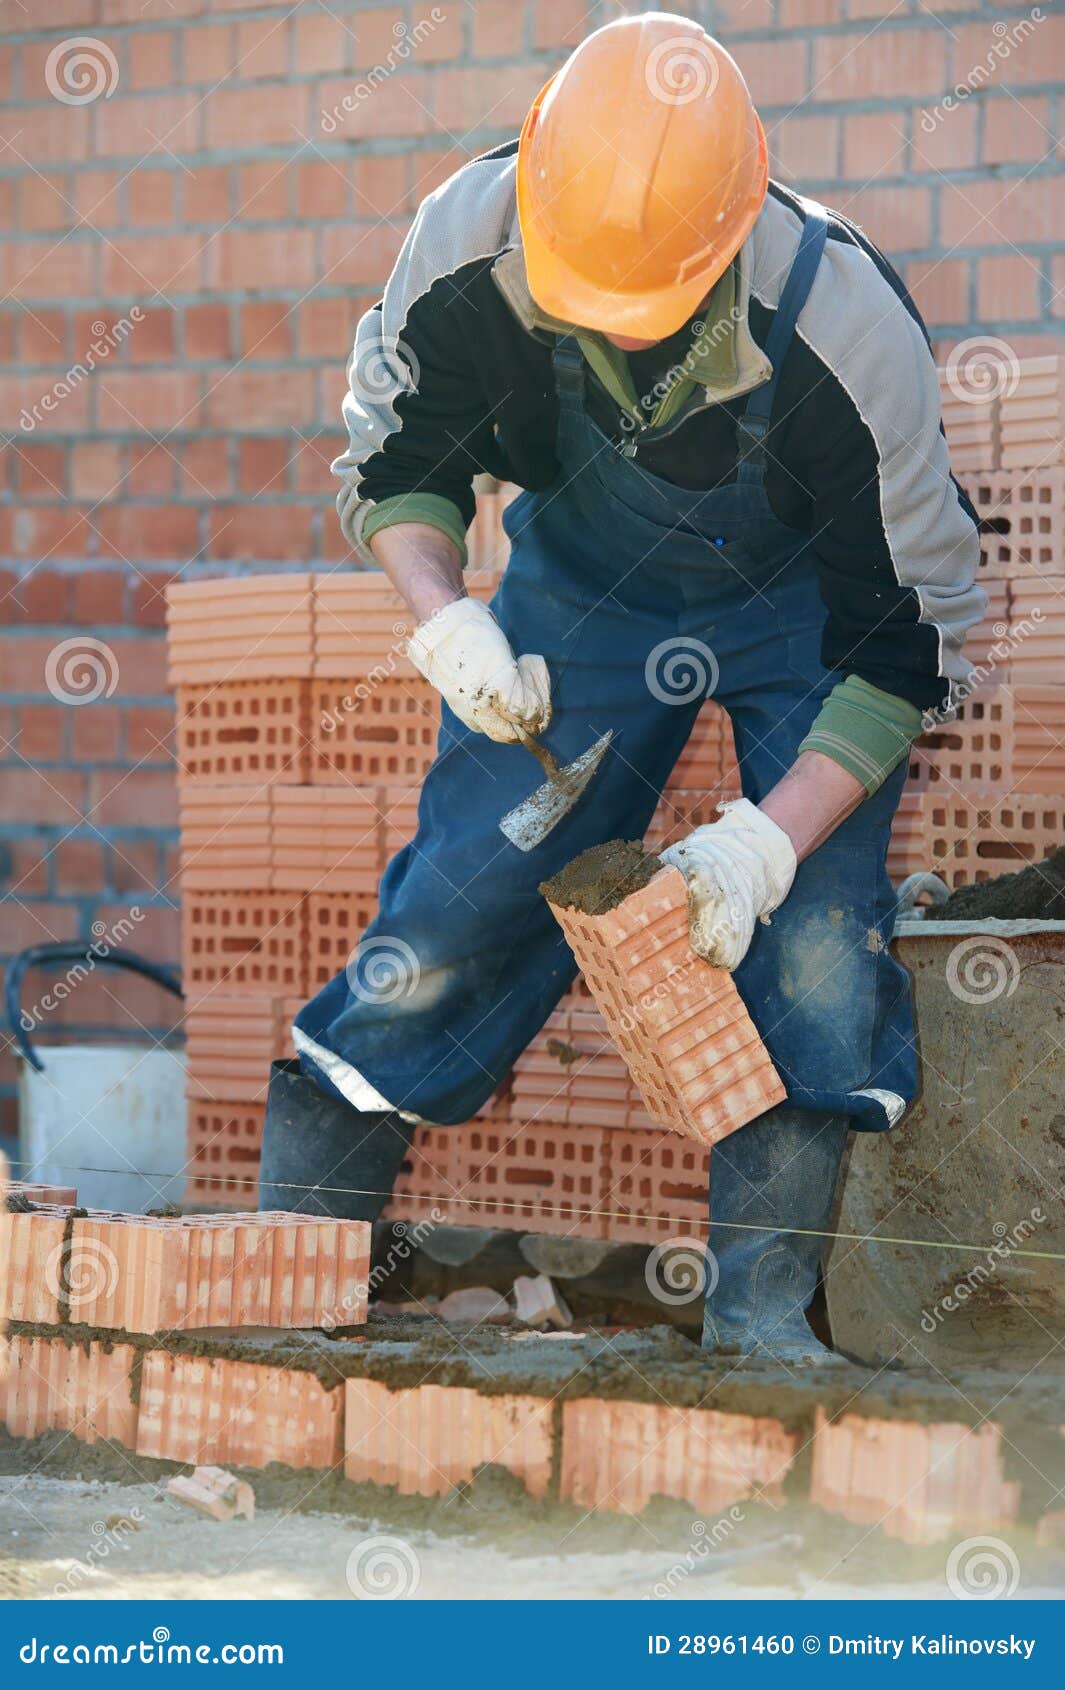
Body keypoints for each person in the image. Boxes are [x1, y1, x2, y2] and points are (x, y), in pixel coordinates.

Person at [260, 14, 983, 1361]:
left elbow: (905, 644)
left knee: (814, 945)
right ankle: (280, 1289)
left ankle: (762, 1335)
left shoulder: (840, 328)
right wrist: (442, 613)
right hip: (586, 579)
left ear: (721, 252)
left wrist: (769, 839)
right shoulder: (466, 243)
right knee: (469, 886)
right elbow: (396, 458)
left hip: (808, 608)